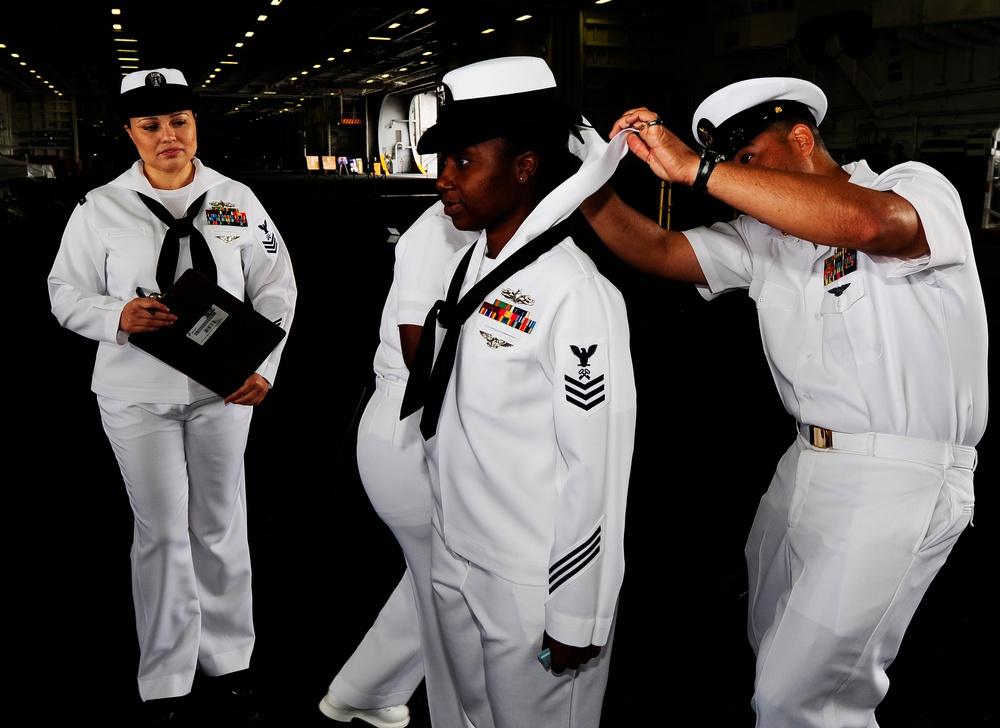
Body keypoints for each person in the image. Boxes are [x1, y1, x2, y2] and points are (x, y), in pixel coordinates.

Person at [580, 76, 986, 727]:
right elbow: (658, 250)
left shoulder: (907, 185)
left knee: (800, 698)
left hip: (899, 472)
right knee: (770, 649)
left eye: (748, 160)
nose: (736, 178)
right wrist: (587, 186)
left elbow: (871, 223)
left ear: (800, 138)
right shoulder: (765, 234)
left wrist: (698, 169)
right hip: (805, 464)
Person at [47, 68, 297, 725]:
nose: (169, 136)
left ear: (194, 124)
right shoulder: (101, 207)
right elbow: (63, 291)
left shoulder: (234, 198)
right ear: (130, 131)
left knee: (220, 519)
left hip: (224, 388)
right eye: (151, 125)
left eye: (179, 121)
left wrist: (264, 365)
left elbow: (276, 284)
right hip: (136, 389)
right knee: (161, 530)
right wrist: (116, 317)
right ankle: (166, 674)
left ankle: (229, 657)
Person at [401, 56, 637, 728]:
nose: (444, 179)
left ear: (526, 166)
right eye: (444, 160)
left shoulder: (575, 292)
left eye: (463, 161)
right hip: (460, 552)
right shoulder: (471, 265)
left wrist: (576, 610)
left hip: (531, 581)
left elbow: (597, 463)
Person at [317, 202, 477, 728]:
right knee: (459, 594)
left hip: (430, 420)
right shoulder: (439, 229)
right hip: (412, 423)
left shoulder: (486, 223)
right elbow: (421, 358)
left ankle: (363, 690)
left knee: (436, 578)